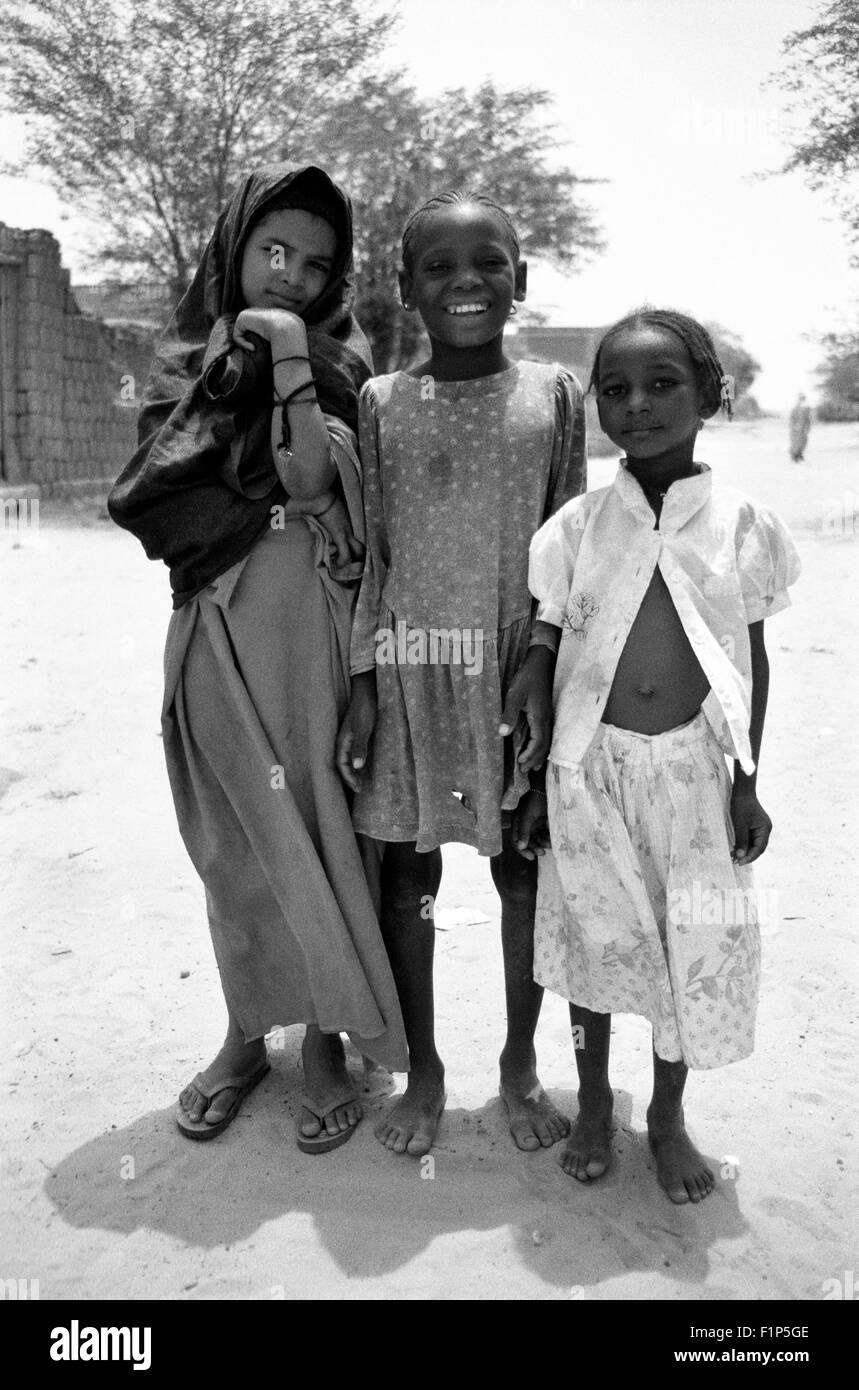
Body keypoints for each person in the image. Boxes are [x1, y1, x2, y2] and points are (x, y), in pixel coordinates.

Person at [108, 164, 408, 1150]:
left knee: (323, 820)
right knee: (232, 833)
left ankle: (325, 1040)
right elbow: (158, 497)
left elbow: (315, 478)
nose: (292, 275)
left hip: (312, 618)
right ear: (233, 245)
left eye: (316, 264)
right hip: (214, 620)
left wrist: (286, 352)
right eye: (273, 250)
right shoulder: (180, 361)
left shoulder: (341, 363)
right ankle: (245, 1032)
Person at [525, 309, 800, 1203]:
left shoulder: (742, 525)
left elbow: (748, 661)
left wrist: (747, 781)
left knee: (691, 947)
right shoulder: (574, 528)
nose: (636, 404)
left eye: (662, 384)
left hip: (691, 777)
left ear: (707, 394)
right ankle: (598, 1102)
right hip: (589, 774)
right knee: (595, 949)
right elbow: (545, 645)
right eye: (615, 389)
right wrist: (533, 766)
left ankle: (670, 1116)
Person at [336, 191, 587, 1157]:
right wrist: (363, 680)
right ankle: (427, 1067)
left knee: (521, 868)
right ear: (406, 289)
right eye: (437, 268)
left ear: (519, 281)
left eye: (488, 262)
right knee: (410, 875)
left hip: (512, 674)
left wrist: (544, 660)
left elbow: (569, 544)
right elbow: (376, 554)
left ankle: (518, 1061)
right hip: (409, 670)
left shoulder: (554, 395)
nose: (464, 282)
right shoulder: (381, 402)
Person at [789, 393, 812, 462]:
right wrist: (794, 427)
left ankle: (800, 454)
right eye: (801, 398)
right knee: (796, 443)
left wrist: (807, 427)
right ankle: (794, 456)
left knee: (804, 442)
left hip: (803, 428)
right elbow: (792, 419)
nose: (802, 400)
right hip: (796, 429)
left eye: (803, 398)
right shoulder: (795, 408)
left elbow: (808, 419)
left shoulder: (806, 408)